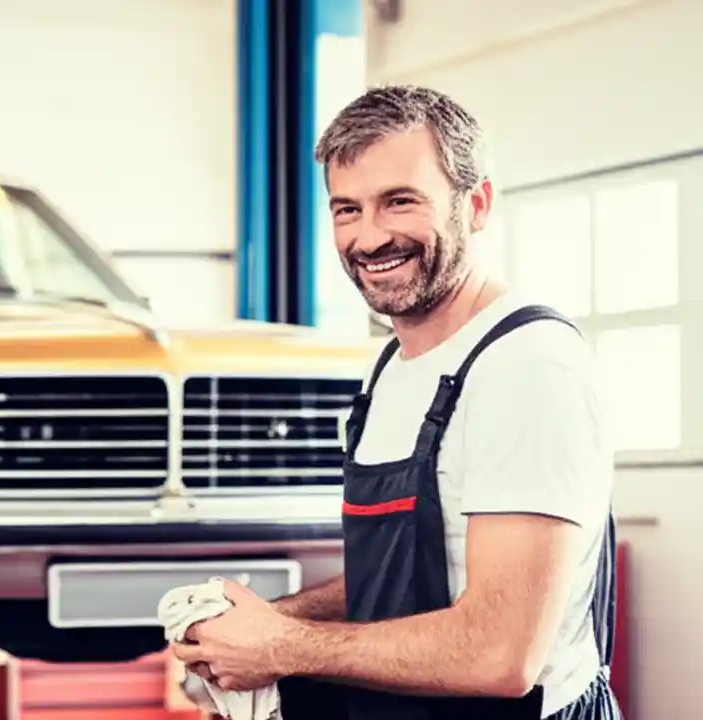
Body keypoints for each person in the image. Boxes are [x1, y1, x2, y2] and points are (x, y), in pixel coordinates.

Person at [171, 85, 620, 719]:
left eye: (399, 202)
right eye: (346, 210)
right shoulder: (391, 366)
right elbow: (414, 570)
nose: (369, 237)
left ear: (478, 203)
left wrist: (284, 646)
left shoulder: (526, 367)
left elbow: (500, 654)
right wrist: (257, 625)